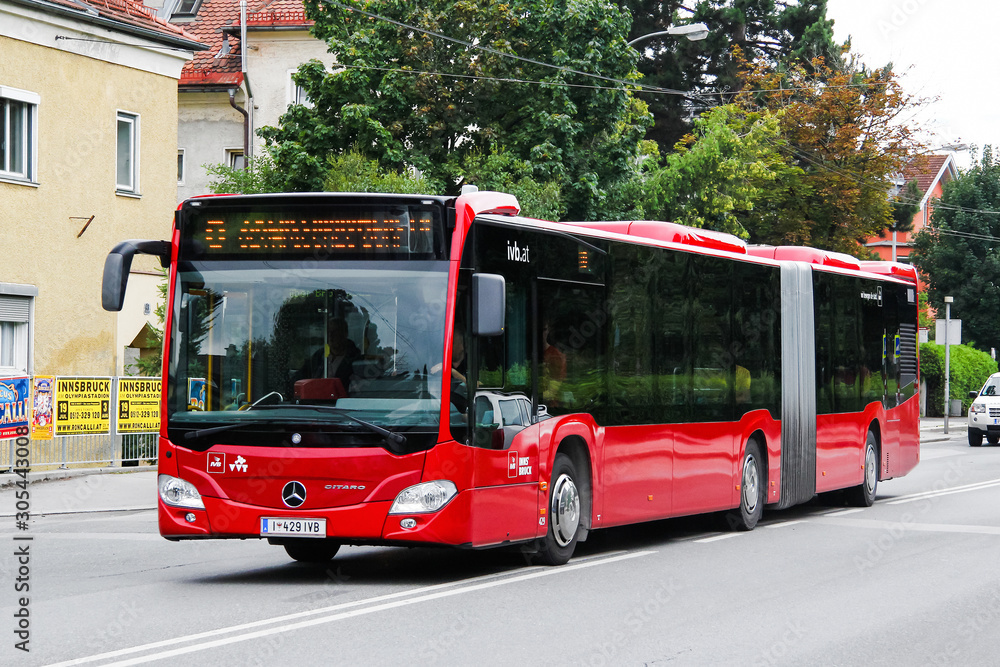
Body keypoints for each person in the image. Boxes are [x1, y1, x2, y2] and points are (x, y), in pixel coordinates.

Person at [308, 318, 361, 389]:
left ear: (345, 333)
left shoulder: (356, 359)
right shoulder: (319, 355)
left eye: (335, 332)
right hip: (316, 397)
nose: (330, 335)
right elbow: (301, 376)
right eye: (328, 332)